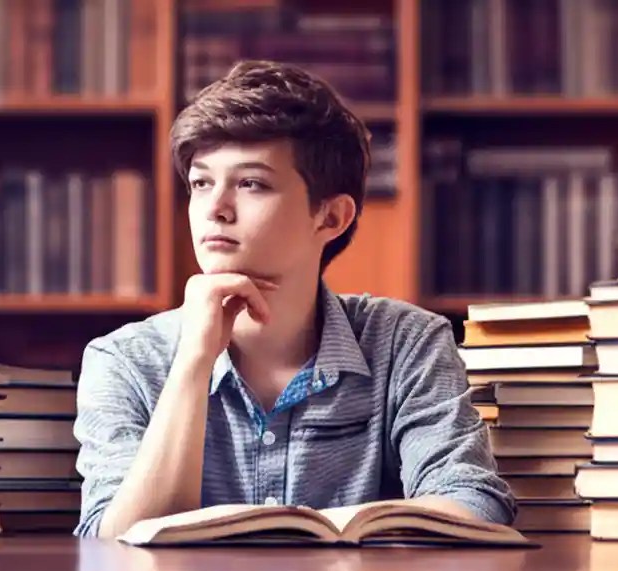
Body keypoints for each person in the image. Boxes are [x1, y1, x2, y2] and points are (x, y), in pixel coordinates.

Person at [73, 60, 514, 539]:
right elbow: (111, 544)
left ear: (330, 218)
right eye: (201, 183)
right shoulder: (123, 359)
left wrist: (314, 530)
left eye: (251, 183)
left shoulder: (406, 343)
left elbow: (475, 502)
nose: (215, 209)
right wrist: (193, 364)